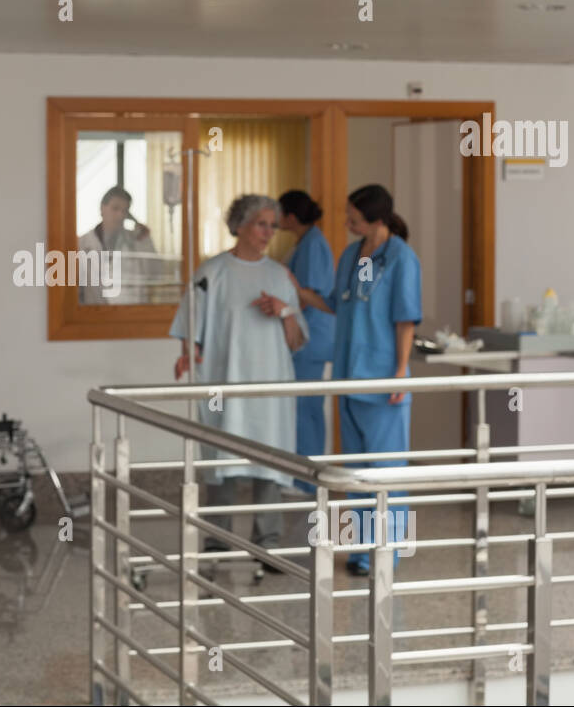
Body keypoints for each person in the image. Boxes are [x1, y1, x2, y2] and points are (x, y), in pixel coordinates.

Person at [170, 194, 310, 583]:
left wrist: (283, 311)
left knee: (269, 464)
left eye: (273, 225)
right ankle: (216, 543)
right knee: (223, 463)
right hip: (225, 383)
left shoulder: (279, 277)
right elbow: (191, 326)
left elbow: (298, 340)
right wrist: (188, 353)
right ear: (241, 226)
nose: (268, 232)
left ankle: (269, 545)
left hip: (270, 386)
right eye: (261, 224)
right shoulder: (212, 272)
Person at [292, 184, 421, 576]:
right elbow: (337, 303)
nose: (346, 222)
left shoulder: (400, 258)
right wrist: (296, 293)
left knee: (386, 475)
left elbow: (405, 319)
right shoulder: (352, 255)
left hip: (383, 382)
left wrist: (400, 372)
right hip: (348, 380)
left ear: (376, 218)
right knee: (356, 475)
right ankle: (361, 551)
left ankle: (388, 552)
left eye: (353, 217)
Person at [278, 190, 335, 481]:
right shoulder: (306, 241)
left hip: (312, 337)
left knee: (305, 407)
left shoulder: (313, 244)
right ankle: (308, 477)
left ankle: (307, 481)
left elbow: (307, 293)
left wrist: (285, 314)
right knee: (305, 406)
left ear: (289, 216)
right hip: (309, 335)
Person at [78, 186, 159, 304]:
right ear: (102, 208)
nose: (120, 215)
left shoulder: (137, 241)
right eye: (115, 208)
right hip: (95, 316)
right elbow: (76, 293)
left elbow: (155, 273)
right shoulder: (83, 244)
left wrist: (146, 241)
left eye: (125, 210)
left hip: (131, 315)